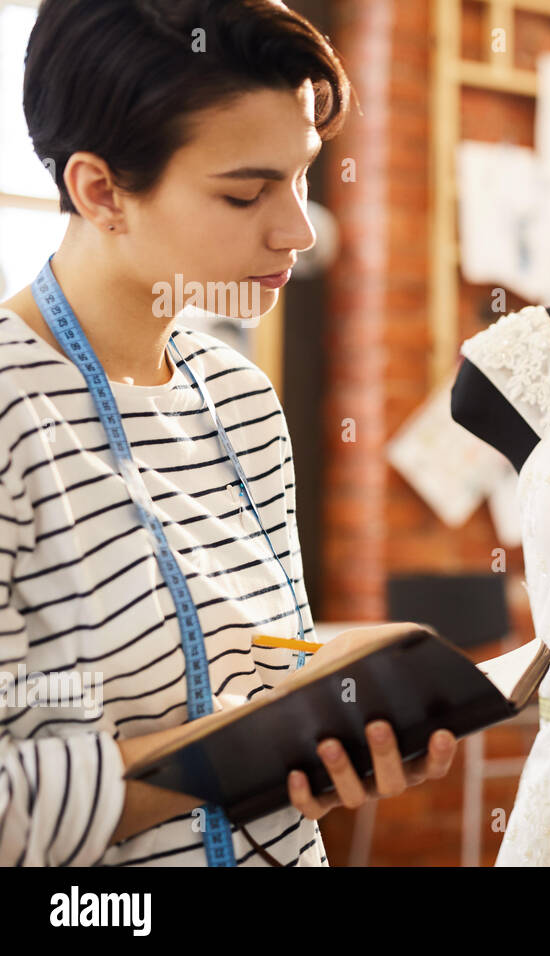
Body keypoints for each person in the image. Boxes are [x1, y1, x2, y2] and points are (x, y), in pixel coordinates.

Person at [0, 0, 455, 867]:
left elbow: (264, 648)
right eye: (246, 192)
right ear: (100, 191)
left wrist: (350, 692)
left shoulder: (241, 398)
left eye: (304, 175)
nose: (299, 229)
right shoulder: (11, 413)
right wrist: (238, 759)